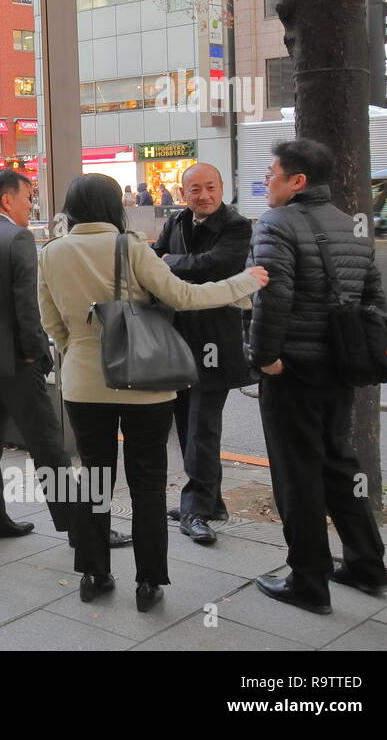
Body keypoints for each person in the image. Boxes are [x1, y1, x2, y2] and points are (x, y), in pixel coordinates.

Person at [37, 173, 267, 612]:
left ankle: (94, 574)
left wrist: (81, 352)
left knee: (94, 478)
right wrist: (245, 283)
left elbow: (50, 322)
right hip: (145, 382)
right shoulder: (131, 247)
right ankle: (148, 584)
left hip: (84, 385)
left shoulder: (52, 253)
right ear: (113, 208)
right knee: (147, 483)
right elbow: (184, 296)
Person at [249, 139, 387, 614]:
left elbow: (271, 297)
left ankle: (308, 580)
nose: (266, 182)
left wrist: (265, 357)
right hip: (340, 368)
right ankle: (367, 565)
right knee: (339, 462)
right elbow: (373, 299)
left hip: (294, 369)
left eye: (271, 174)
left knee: (297, 474)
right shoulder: (352, 225)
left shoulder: (277, 223)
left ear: (296, 180)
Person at [0, 170, 96, 542]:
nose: (29, 204)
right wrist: (38, 353)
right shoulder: (16, 237)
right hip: (16, 362)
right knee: (48, 446)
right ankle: (78, 527)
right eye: (27, 197)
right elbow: (26, 307)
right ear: (6, 200)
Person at [154, 163, 253, 544]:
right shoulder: (177, 221)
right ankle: (211, 501)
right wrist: (169, 265)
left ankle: (196, 511)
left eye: (210, 187)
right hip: (179, 336)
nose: (204, 195)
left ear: (221, 187)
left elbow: (216, 266)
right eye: (195, 189)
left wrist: (171, 266)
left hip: (217, 338)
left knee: (203, 425)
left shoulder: (236, 225)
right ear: (184, 193)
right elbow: (153, 262)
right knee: (187, 422)